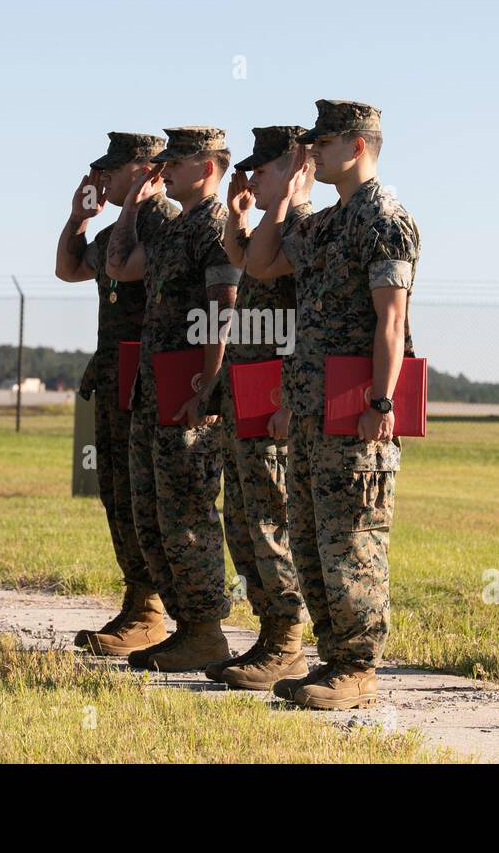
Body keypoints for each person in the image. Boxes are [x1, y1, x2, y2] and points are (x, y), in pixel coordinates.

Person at [244, 100, 420, 709]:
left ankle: (359, 667)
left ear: (358, 145)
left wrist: (381, 400)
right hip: (314, 408)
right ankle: (332, 660)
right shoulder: (325, 224)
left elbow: (390, 321)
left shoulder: (386, 221)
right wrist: (286, 197)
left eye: (322, 142)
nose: (312, 151)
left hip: (356, 407)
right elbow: (260, 261)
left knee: (353, 541)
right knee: (314, 540)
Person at [106, 126, 241, 671]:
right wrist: (131, 208)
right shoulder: (172, 225)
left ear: (207, 168)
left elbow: (223, 309)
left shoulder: (215, 226)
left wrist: (208, 384)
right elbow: (119, 266)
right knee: (152, 511)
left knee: (187, 511)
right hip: (154, 385)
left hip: (188, 388)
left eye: (176, 162)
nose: (165, 170)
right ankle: (184, 626)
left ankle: (205, 630)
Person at [54, 132, 178, 655]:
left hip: (149, 377)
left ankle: (154, 609)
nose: (102, 178)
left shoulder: (169, 224)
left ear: (146, 171)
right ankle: (138, 600)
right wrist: (79, 216)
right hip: (113, 376)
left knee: (143, 494)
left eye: (113, 170)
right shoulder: (112, 232)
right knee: (115, 491)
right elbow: (68, 267)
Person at [204, 126, 314, 690]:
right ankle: (270, 634)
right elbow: (242, 259)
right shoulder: (274, 225)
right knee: (245, 522)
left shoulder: (304, 228)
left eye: (261, 170)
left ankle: (288, 644)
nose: (250, 178)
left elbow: (308, 328)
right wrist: (238, 213)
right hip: (247, 388)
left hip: (275, 394)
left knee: (272, 521)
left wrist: (291, 402)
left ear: (294, 167)